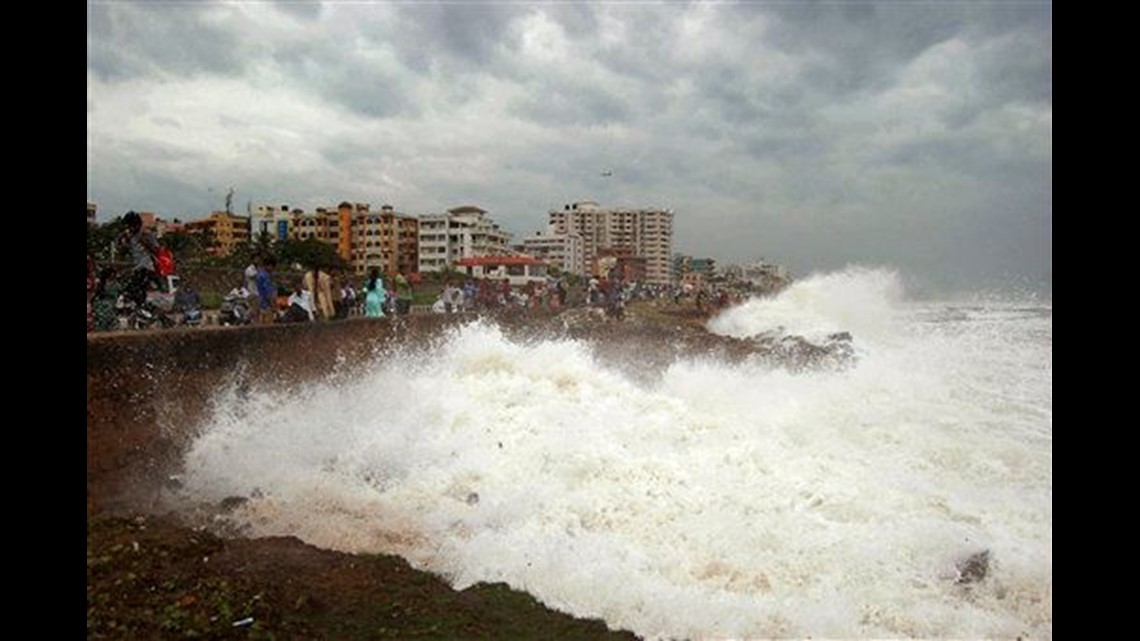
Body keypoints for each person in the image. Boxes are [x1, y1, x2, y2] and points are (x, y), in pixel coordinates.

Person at [118, 211, 161, 310]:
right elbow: (122, 253)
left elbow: (157, 250)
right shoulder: (130, 236)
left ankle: (146, 311)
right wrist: (124, 242)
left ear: (137, 224)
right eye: (127, 226)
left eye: (130, 226)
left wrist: (145, 242)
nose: (129, 229)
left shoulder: (145, 234)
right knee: (135, 294)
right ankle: (151, 314)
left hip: (147, 268)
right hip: (137, 269)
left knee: (133, 291)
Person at [255, 256, 278, 324]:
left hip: (261, 304)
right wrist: (274, 306)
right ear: (269, 265)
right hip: (267, 306)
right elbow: (268, 293)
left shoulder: (259, 274)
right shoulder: (265, 277)